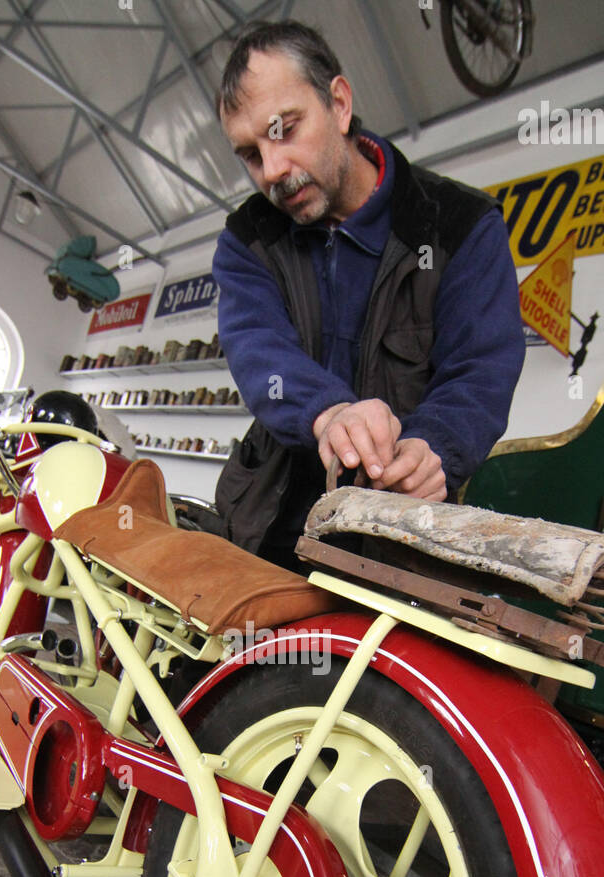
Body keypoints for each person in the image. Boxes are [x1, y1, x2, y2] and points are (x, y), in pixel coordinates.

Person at [211, 20, 526, 566]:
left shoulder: (460, 225)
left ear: (338, 102)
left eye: (284, 129)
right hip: (271, 529)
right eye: (250, 153)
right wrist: (328, 413)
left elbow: (480, 370)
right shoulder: (249, 239)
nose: (273, 170)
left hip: (400, 542)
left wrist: (433, 450)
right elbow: (257, 346)